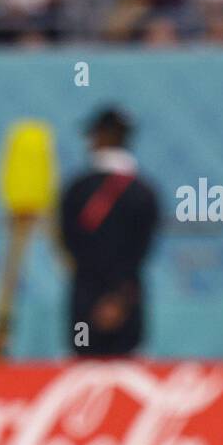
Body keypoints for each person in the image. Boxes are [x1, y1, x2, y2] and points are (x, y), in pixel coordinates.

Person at [57, 107, 159, 358]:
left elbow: (68, 242)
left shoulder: (77, 190)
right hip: (128, 301)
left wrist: (98, 296)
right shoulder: (145, 192)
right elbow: (142, 249)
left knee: (83, 375)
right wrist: (118, 298)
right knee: (129, 373)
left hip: (85, 301)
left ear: (100, 137)